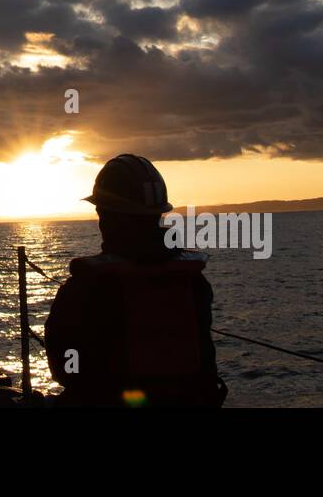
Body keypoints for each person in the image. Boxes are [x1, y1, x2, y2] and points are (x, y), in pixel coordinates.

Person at [44, 154, 225, 408]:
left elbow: (65, 370)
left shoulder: (84, 289)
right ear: (158, 214)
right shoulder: (194, 282)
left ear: (106, 215)